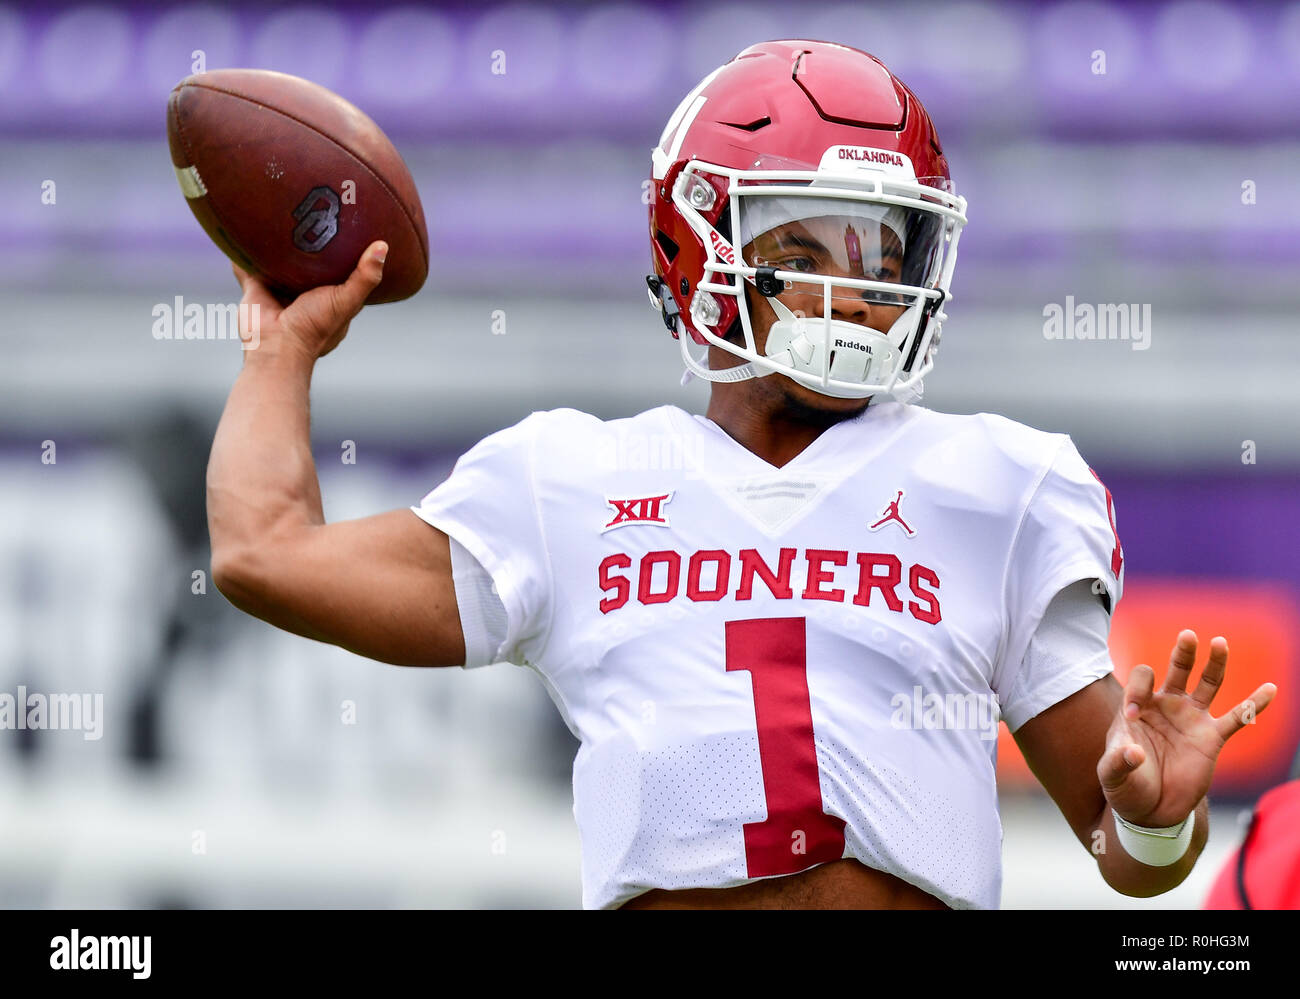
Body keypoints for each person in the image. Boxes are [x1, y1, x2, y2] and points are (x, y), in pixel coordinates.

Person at [208, 40, 1277, 910]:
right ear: (699, 240)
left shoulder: (995, 484)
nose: (859, 290)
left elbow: (1130, 857)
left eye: (885, 252)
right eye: (811, 247)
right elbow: (265, 554)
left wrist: (1156, 813)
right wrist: (281, 353)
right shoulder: (569, 481)